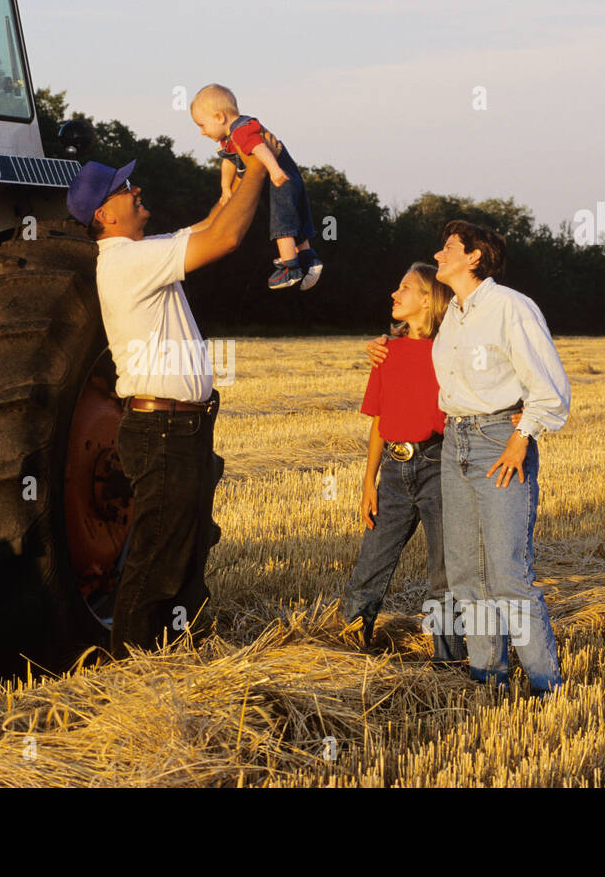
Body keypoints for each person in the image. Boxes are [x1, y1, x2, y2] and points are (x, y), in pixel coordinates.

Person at [66, 148, 269, 659]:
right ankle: (134, 670)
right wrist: (264, 167)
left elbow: (210, 226)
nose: (137, 191)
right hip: (163, 431)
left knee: (185, 550)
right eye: (124, 190)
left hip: (182, 427)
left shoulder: (141, 252)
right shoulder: (129, 261)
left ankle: (184, 657)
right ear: (105, 215)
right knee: (157, 556)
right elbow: (225, 238)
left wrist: (236, 183)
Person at [372, 221, 570, 693]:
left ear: (473, 258)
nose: (437, 255)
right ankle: (488, 677)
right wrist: (385, 349)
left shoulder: (510, 308)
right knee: (464, 574)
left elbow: (551, 389)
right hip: (454, 443)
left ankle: (546, 685)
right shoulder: (454, 316)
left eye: (447, 249)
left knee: (507, 573)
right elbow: (417, 339)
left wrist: (521, 438)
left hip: (498, 439)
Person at [340, 263, 466, 660]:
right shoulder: (387, 351)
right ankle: (349, 651)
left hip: (438, 467)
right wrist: (367, 483)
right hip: (393, 472)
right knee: (369, 568)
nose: (394, 294)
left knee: (444, 575)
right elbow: (379, 419)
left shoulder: (450, 352)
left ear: (428, 299)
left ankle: (450, 662)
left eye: (405, 288)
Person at [189, 83, 321, 291]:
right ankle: (309, 259)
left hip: (280, 177)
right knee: (293, 218)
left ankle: (290, 267)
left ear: (219, 117)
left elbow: (260, 148)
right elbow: (228, 162)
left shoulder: (241, 130)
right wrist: (225, 188)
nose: (202, 132)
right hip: (287, 176)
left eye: (201, 125)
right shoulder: (231, 138)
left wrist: (274, 169)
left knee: (281, 222)